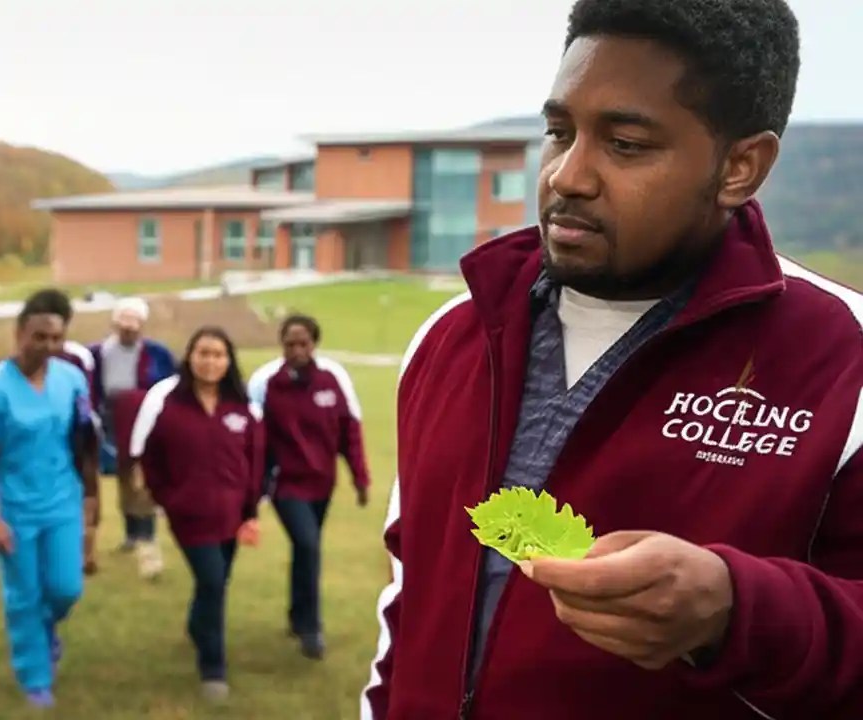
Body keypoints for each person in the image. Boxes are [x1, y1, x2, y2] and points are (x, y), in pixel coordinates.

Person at [363, 1, 863, 718]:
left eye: (625, 144)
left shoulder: (843, 358)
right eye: (559, 132)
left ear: (740, 167)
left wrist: (738, 612)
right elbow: (407, 593)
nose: (568, 176)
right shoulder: (452, 335)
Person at [0, 289, 99, 710]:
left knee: (66, 588)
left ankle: (44, 630)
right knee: (24, 595)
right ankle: (35, 676)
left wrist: (90, 500)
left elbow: (83, 441)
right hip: (15, 509)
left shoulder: (72, 379)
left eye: (56, 338)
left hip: (62, 502)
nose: (47, 346)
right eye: (39, 336)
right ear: (19, 332)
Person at [129, 326, 265, 701]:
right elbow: (149, 458)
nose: (210, 361)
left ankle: (195, 624)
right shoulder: (168, 403)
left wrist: (251, 510)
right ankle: (213, 668)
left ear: (229, 360)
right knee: (213, 582)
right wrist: (168, 498)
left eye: (218, 354)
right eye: (202, 353)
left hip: (232, 514)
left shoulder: (243, 406)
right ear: (189, 357)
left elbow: (255, 462)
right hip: (188, 515)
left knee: (215, 582)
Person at [248, 314, 371, 661]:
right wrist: (252, 491)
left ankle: (295, 615)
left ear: (314, 344)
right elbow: (254, 442)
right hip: (285, 484)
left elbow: (349, 431)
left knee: (305, 549)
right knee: (308, 545)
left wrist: (360, 478)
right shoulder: (267, 384)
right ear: (281, 345)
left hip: (322, 483)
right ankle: (311, 629)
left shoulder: (332, 380)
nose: (297, 350)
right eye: (290, 344)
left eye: (303, 343)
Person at [89, 297, 177, 578]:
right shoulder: (97, 353)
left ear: (142, 324)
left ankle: (146, 533)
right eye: (124, 321)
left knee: (144, 476)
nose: (129, 327)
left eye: (134, 322)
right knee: (123, 476)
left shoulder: (158, 353)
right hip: (112, 419)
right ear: (114, 323)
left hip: (146, 418)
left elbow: (173, 385)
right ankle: (130, 533)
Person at [57, 325, 102, 576]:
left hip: (80, 427)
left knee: (88, 488)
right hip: (49, 429)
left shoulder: (78, 355)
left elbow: (88, 394)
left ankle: (87, 554)